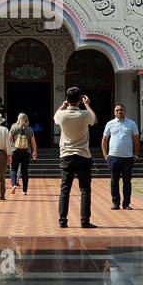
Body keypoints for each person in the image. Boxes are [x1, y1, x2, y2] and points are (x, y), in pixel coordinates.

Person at [54, 86, 97, 229]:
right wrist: (87, 104)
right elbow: (94, 120)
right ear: (80, 99)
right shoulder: (85, 114)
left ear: (67, 99)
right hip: (83, 155)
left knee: (65, 189)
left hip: (66, 155)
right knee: (85, 190)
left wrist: (63, 105)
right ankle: (85, 221)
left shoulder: (61, 115)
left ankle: (62, 220)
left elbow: (55, 116)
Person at [101, 103, 141, 210]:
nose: (119, 112)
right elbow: (104, 140)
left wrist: (136, 155)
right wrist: (106, 155)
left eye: (121, 110)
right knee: (114, 181)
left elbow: (136, 140)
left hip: (128, 157)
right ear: (114, 112)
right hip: (113, 157)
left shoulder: (131, 124)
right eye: (117, 110)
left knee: (127, 181)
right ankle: (115, 203)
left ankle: (126, 203)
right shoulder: (110, 124)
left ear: (125, 111)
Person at [9, 112, 37, 193]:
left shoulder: (14, 127)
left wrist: (8, 151)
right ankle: (24, 190)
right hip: (26, 152)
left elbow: (9, 139)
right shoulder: (29, 129)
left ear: (18, 118)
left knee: (14, 169)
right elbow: (33, 142)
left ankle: (14, 184)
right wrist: (34, 152)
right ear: (26, 119)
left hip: (15, 151)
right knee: (25, 171)